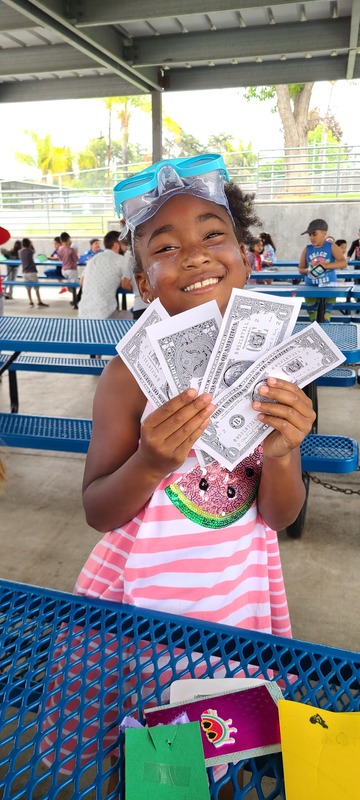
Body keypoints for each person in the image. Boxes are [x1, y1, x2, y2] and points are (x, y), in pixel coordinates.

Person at [40, 156, 315, 792]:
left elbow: (278, 515)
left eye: (213, 235)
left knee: (219, 738)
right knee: (149, 760)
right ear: (142, 283)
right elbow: (98, 510)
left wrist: (281, 451)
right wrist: (151, 462)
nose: (194, 255)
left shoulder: (276, 368)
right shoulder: (128, 376)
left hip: (236, 596)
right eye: (166, 247)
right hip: (138, 607)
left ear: (248, 257)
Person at [298, 218, 347, 321]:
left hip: (328, 287)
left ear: (324, 233)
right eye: (309, 235)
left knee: (325, 317)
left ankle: (323, 334)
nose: (311, 237)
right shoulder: (307, 249)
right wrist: (308, 270)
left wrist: (326, 266)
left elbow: (343, 262)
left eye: (314, 234)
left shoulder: (332, 247)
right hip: (311, 287)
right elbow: (301, 269)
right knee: (312, 316)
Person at [78, 230, 128, 319]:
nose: (126, 248)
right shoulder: (122, 260)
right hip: (105, 315)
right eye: (124, 244)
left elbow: (82, 281)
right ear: (116, 245)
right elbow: (126, 285)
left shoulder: (93, 259)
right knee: (134, 318)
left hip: (83, 313)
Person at [19, 238, 48, 308]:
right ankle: (39, 301)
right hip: (32, 271)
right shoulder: (30, 251)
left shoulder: (20, 252)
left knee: (28, 288)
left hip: (25, 272)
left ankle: (30, 301)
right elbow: (33, 250)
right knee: (36, 288)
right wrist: (31, 244)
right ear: (29, 244)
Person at [58, 231, 79, 307]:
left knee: (70, 285)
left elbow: (60, 258)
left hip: (63, 270)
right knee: (74, 286)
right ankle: (75, 302)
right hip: (71, 270)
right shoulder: (71, 250)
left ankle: (75, 299)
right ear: (68, 239)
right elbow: (76, 259)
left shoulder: (60, 249)